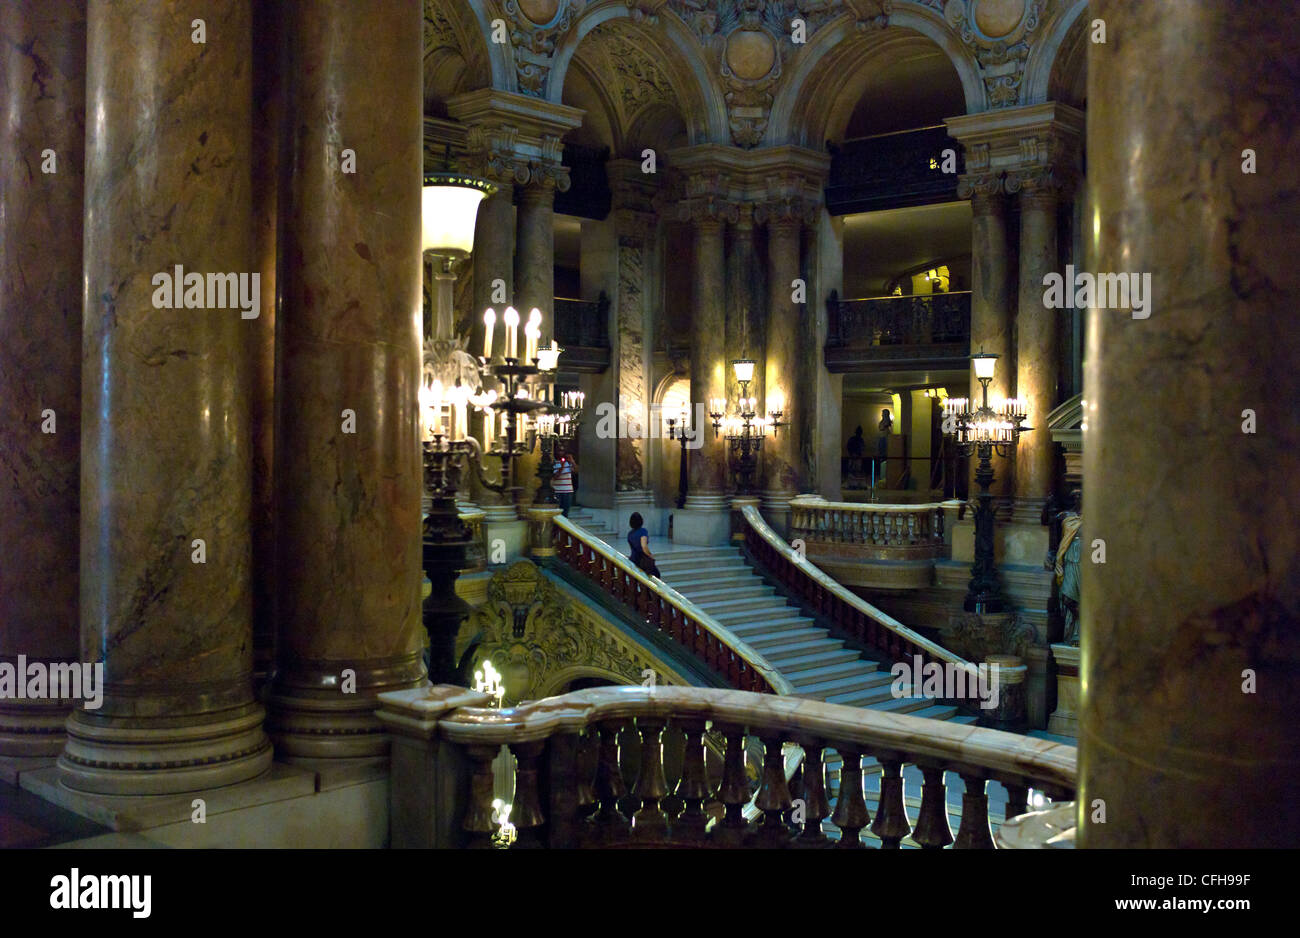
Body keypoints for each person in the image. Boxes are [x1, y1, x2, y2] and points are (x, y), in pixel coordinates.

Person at [627, 512, 659, 578]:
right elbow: (643, 546)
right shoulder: (643, 531)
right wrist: (650, 555)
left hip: (633, 559)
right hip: (642, 561)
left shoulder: (630, 534)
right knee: (656, 574)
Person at [553, 450, 577, 516]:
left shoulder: (569, 463)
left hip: (568, 491)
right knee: (557, 513)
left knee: (565, 512)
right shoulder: (554, 463)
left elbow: (576, 471)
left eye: (562, 451)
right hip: (558, 491)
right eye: (559, 451)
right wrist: (562, 466)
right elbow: (555, 477)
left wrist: (572, 461)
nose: (561, 453)